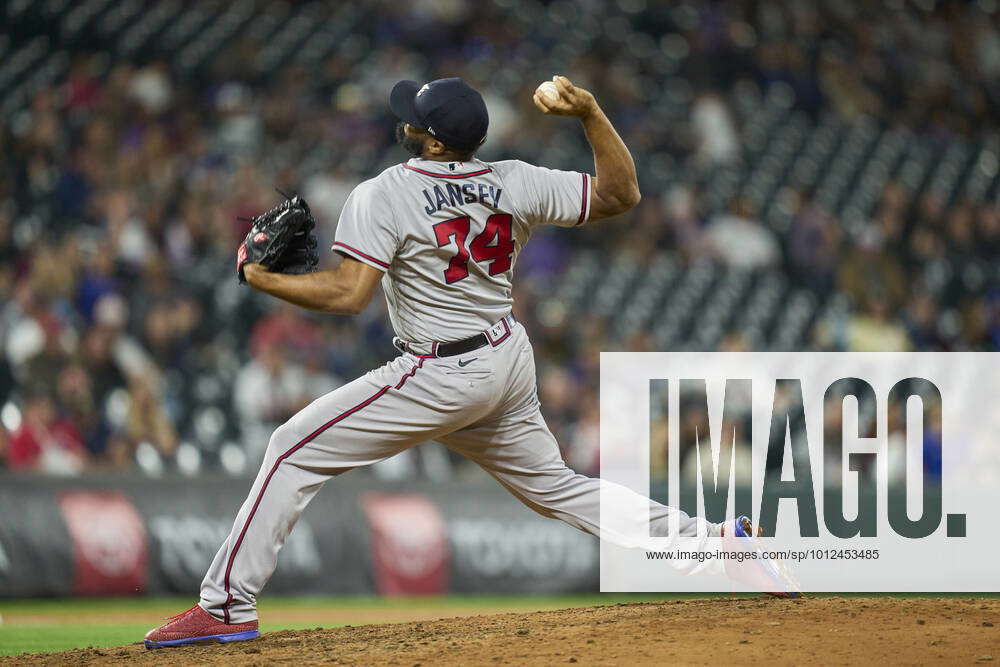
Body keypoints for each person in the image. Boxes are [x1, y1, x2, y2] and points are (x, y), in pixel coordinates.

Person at [145, 76, 777, 649]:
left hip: (441, 370)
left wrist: (259, 278)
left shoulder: (386, 192)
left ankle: (226, 606)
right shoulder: (514, 179)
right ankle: (718, 545)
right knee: (558, 487)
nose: (406, 126)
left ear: (437, 143)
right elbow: (621, 193)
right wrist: (588, 113)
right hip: (504, 357)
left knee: (290, 447)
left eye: (415, 121)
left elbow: (347, 294)